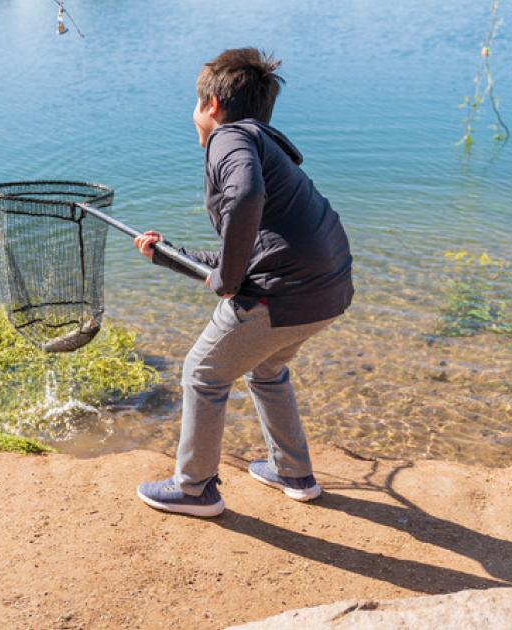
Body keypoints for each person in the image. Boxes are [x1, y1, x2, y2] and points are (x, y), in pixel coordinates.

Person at [134, 48, 354, 518]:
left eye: (196, 104)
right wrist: (169, 254)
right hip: (329, 289)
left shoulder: (227, 137)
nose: (194, 114)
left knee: (202, 373)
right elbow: (257, 248)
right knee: (266, 369)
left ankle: (195, 489)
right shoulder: (262, 145)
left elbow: (246, 197)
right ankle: (294, 473)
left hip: (284, 293)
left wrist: (229, 281)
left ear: (212, 105)